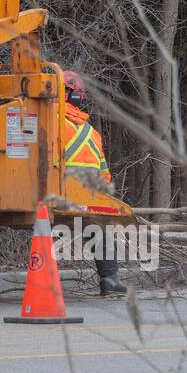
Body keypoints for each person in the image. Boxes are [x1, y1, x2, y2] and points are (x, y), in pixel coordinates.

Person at [62, 70, 127, 296]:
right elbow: (104, 174)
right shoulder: (92, 132)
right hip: (84, 198)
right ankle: (110, 280)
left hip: (52, 194)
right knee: (98, 228)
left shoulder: (50, 123)